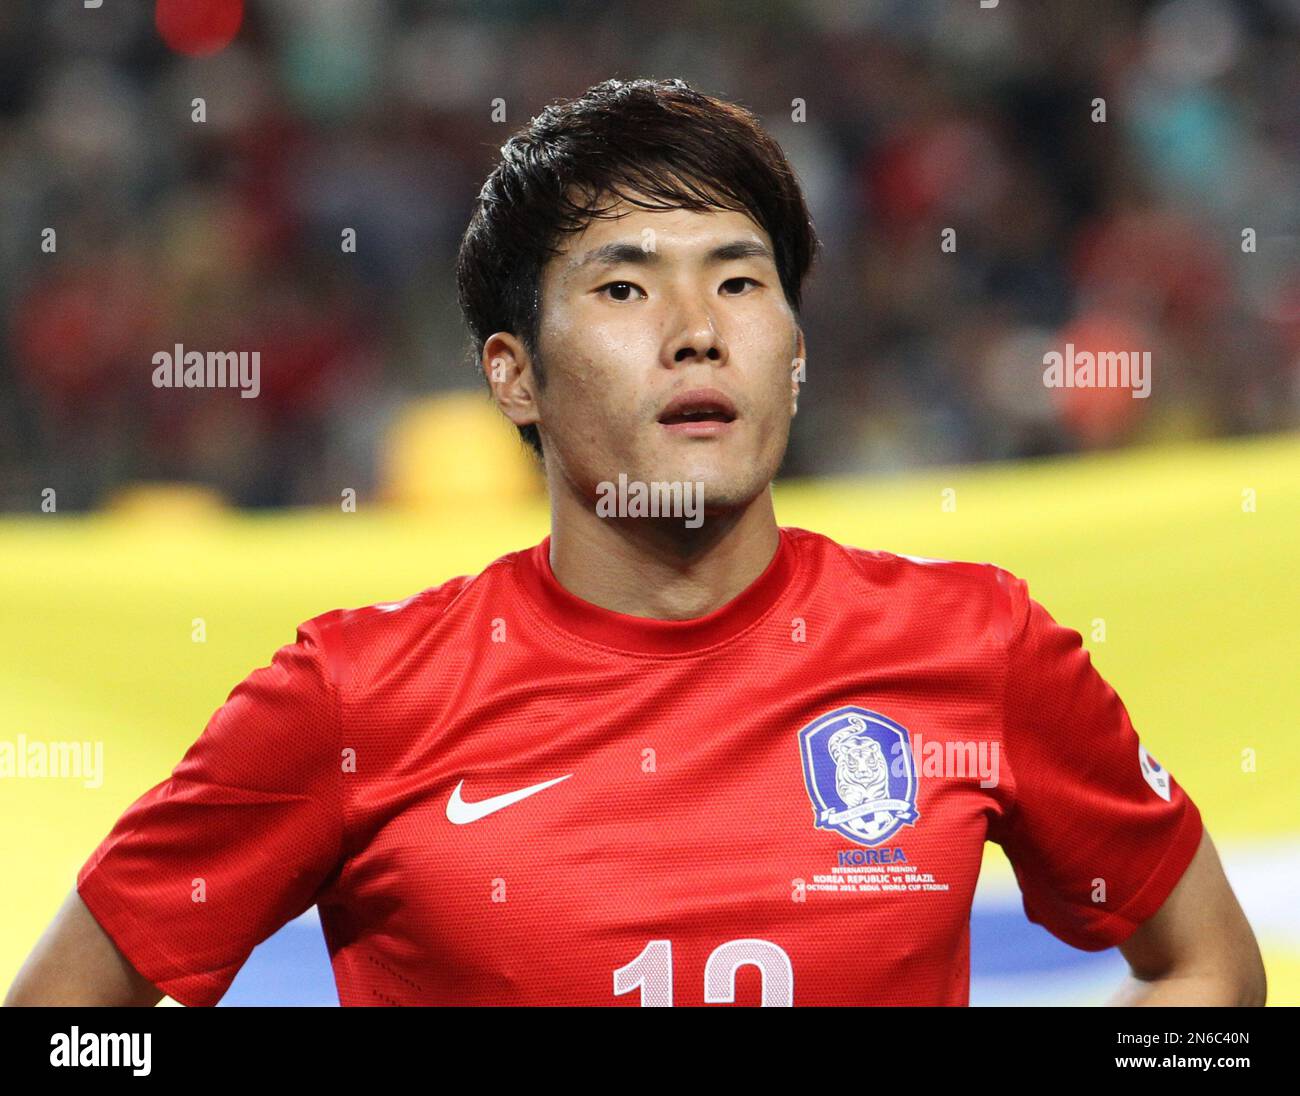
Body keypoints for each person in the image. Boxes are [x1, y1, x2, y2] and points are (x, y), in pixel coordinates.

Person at [6, 78, 1265, 1007]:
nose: (695, 329)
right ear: (514, 376)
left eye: (739, 278)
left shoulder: (977, 646)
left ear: (795, 344)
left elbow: (1210, 974)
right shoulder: (353, 694)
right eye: (622, 288)